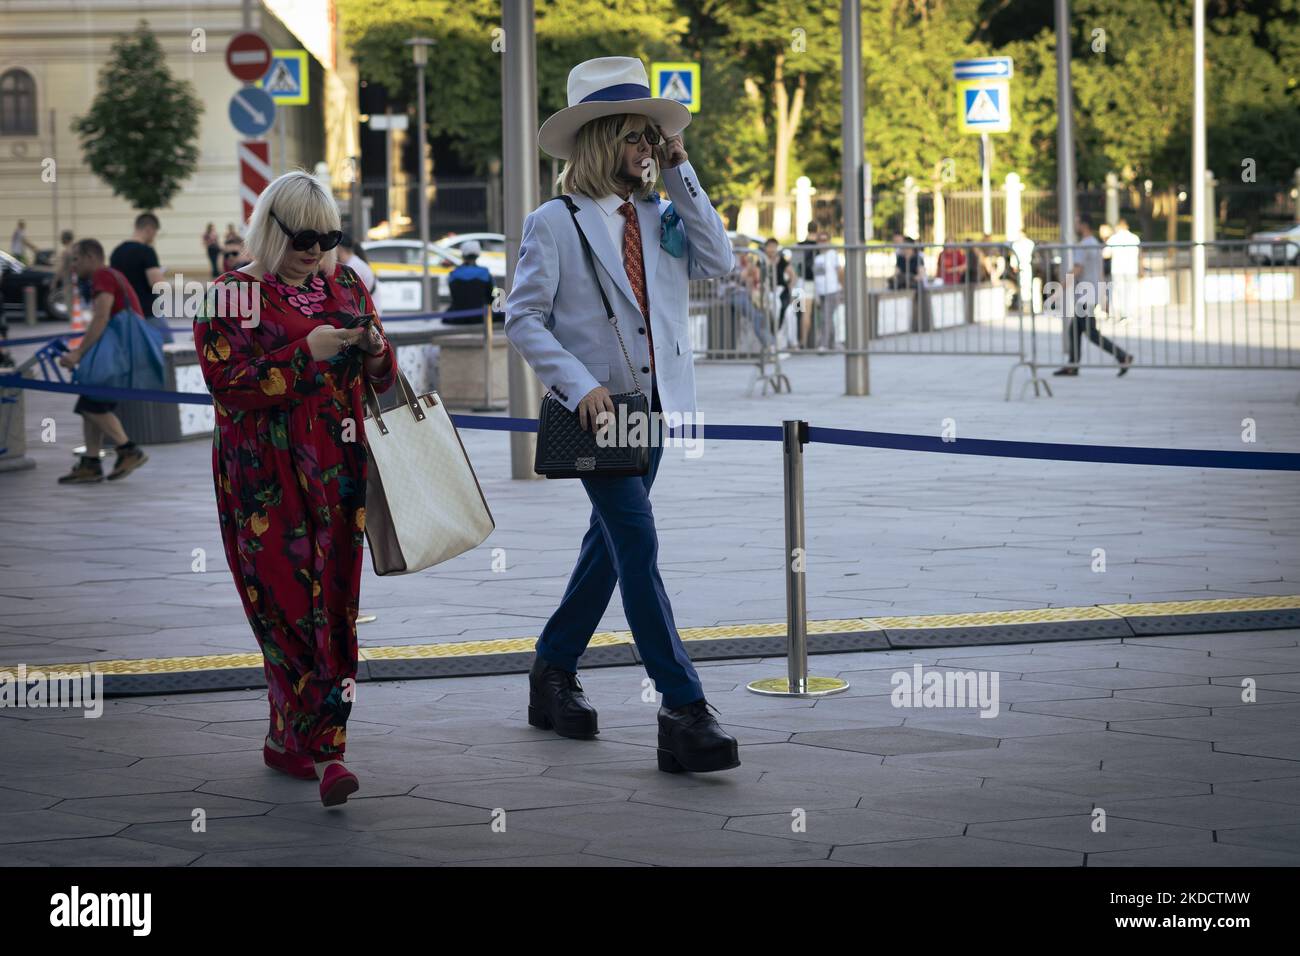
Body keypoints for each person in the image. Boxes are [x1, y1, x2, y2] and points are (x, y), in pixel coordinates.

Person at [505, 55, 740, 774]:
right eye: (637, 138)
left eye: (652, 138)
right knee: (635, 543)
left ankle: (551, 670)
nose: (647, 148)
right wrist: (578, 386)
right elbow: (522, 318)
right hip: (596, 415)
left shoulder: (663, 216)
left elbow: (720, 259)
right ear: (605, 141)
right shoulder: (554, 222)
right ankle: (682, 706)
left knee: (608, 548)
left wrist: (681, 170)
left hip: (657, 410)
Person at [193, 171, 396, 807]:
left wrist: (372, 353)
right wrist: (305, 352)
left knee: (332, 610)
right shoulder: (229, 295)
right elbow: (228, 385)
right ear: (272, 230)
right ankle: (305, 745)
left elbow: (385, 374)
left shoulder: (348, 283)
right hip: (262, 481)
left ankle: (317, 748)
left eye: (328, 236)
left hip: (338, 471)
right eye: (303, 237)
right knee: (282, 610)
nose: (315, 250)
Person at [54, 239, 150, 483]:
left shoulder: (103, 276)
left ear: (91, 257)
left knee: (91, 404)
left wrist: (78, 353)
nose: (73, 266)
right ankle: (91, 462)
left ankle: (129, 450)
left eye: (76, 259)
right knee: (93, 403)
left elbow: (101, 317)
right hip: (124, 353)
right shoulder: (111, 275)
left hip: (117, 355)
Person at [1054, 217, 1133, 377]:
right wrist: (1102, 294)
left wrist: (1058, 289)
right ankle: (1072, 365)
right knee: (1074, 329)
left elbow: (1077, 268)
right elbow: (1101, 272)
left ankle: (1122, 356)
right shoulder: (1096, 244)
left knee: (1091, 333)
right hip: (1092, 292)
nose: (1075, 226)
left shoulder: (1084, 245)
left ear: (1084, 225)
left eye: (1077, 223)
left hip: (1085, 294)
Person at [110, 213, 172, 343]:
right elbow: (156, 283)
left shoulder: (116, 252)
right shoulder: (146, 251)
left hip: (124, 313)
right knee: (167, 348)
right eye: (155, 233)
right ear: (149, 229)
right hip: (148, 311)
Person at [444, 238, 497, 326]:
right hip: (481, 316)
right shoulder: (485, 273)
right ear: (477, 255)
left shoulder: (453, 274)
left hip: (458, 318)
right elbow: (493, 296)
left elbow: (453, 297)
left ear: (463, 255)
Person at [812, 229, 844, 350]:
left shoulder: (832, 254)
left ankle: (824, 344)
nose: (822, 243)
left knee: (826, 317)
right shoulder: (817, 257)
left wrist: (841, 288)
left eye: (825, 240)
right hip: (821, 292)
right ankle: (832, 343)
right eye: (820, 240)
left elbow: (839, 271)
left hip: (832, 290)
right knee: (827, 317)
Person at [1105, 218, 1141, 322]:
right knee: (1130, 293)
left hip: (1118, 269)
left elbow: (1107, 253)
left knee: (1117, 292)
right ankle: (1129, 315)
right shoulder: (1135, 238)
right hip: (1131, 269)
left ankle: (1117, 315)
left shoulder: (1114, 238)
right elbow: (1139, 255)